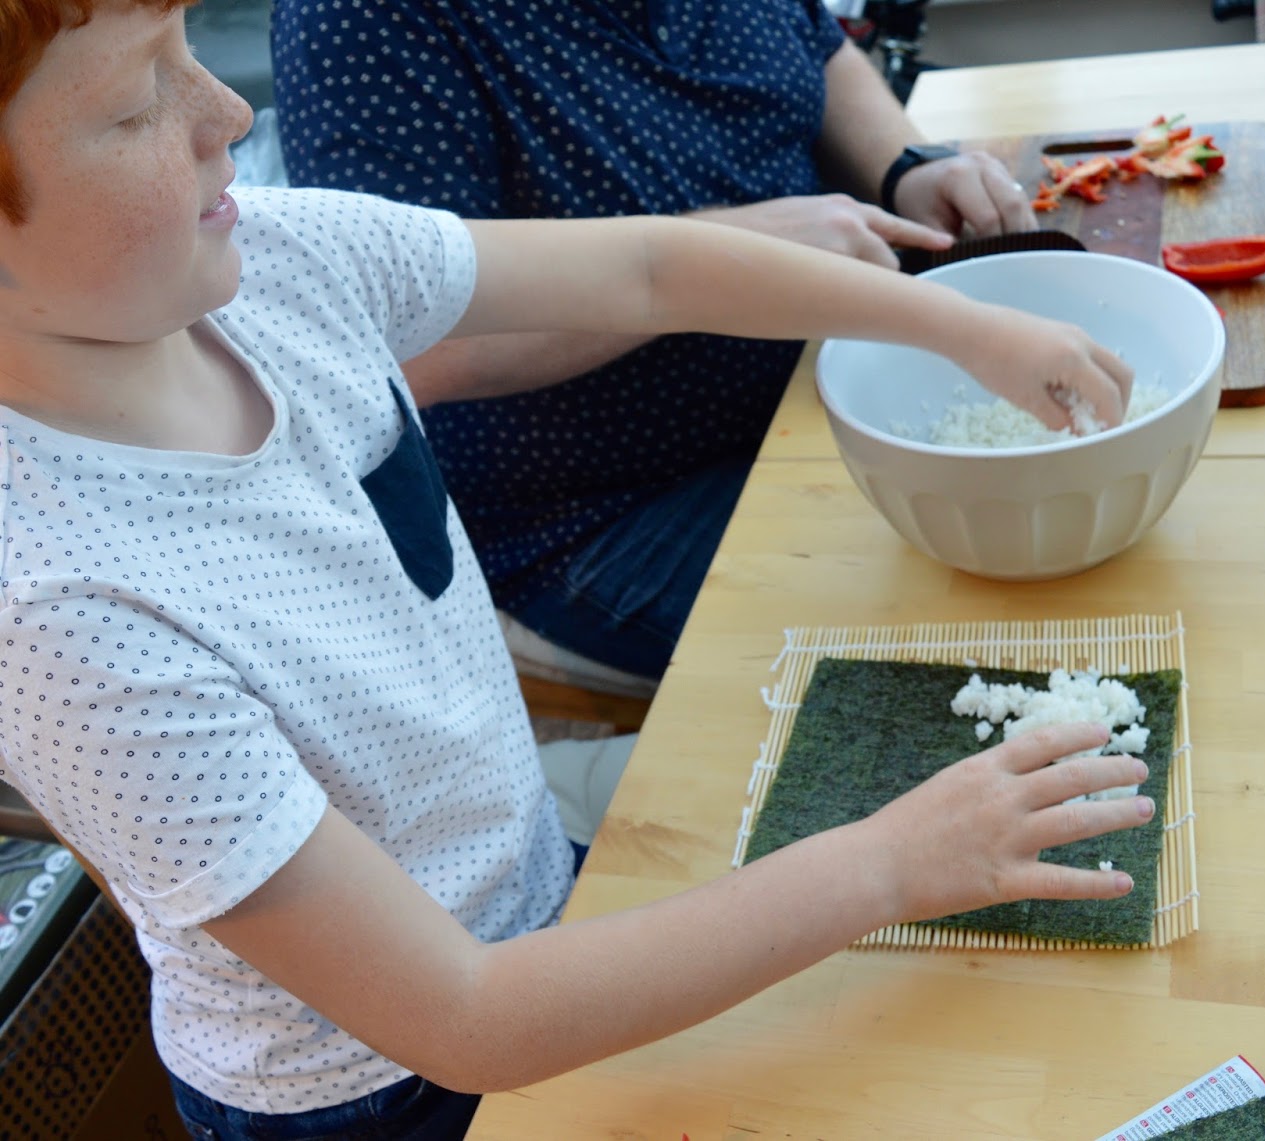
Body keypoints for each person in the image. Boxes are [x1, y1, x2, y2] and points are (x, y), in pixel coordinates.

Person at [0, 3, 1144, 1138]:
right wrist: (893, 864)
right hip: (378, 1090)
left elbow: (648, 268)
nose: (230, 111)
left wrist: (953, 325)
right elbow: (470, 1019)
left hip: (527, 892)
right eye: (139, 99)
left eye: (190, 51)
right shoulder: (61, 617)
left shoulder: (279, 258)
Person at [269, 0, 1040, 682]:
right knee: (990, 614)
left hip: (810, 393)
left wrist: (902, 165)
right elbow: (409, 349)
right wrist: (731, 257)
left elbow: (816, 43)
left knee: (1032, 521)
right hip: (597, 514)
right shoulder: (358, 20)